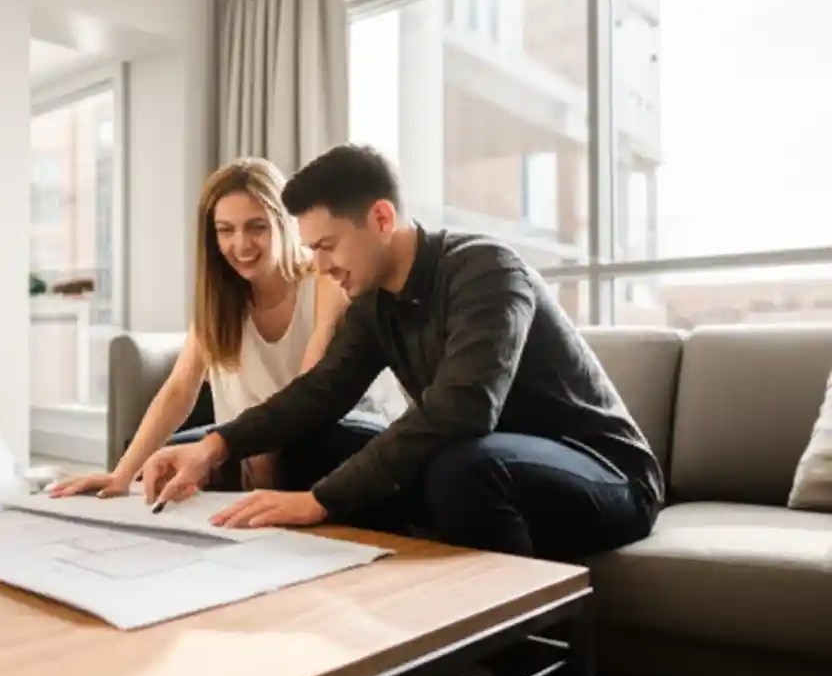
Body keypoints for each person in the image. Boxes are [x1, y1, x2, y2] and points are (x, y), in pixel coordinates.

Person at [141, 144, 664, 561]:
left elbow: (464, 409)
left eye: (327, 246)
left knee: (461, 466)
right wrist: (214, 445)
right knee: (314, 443)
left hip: (608, 476)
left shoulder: (488, 271)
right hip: (494, 463)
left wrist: (320, 500)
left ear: (382, 219)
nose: (319, 267)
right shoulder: (374, 303)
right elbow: (319, 393)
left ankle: (500, 666)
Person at [50, 157, 355, 498]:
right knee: (156, 471)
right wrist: (122, 473)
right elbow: (180, 388)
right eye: (226, 230)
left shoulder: (324, 281)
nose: (241, 245)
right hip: (236, 444)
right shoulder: (219, 298)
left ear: (283, 222)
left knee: (291, 458)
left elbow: (306, 392)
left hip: (307, 435)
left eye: (257, 226)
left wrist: (265, 450)